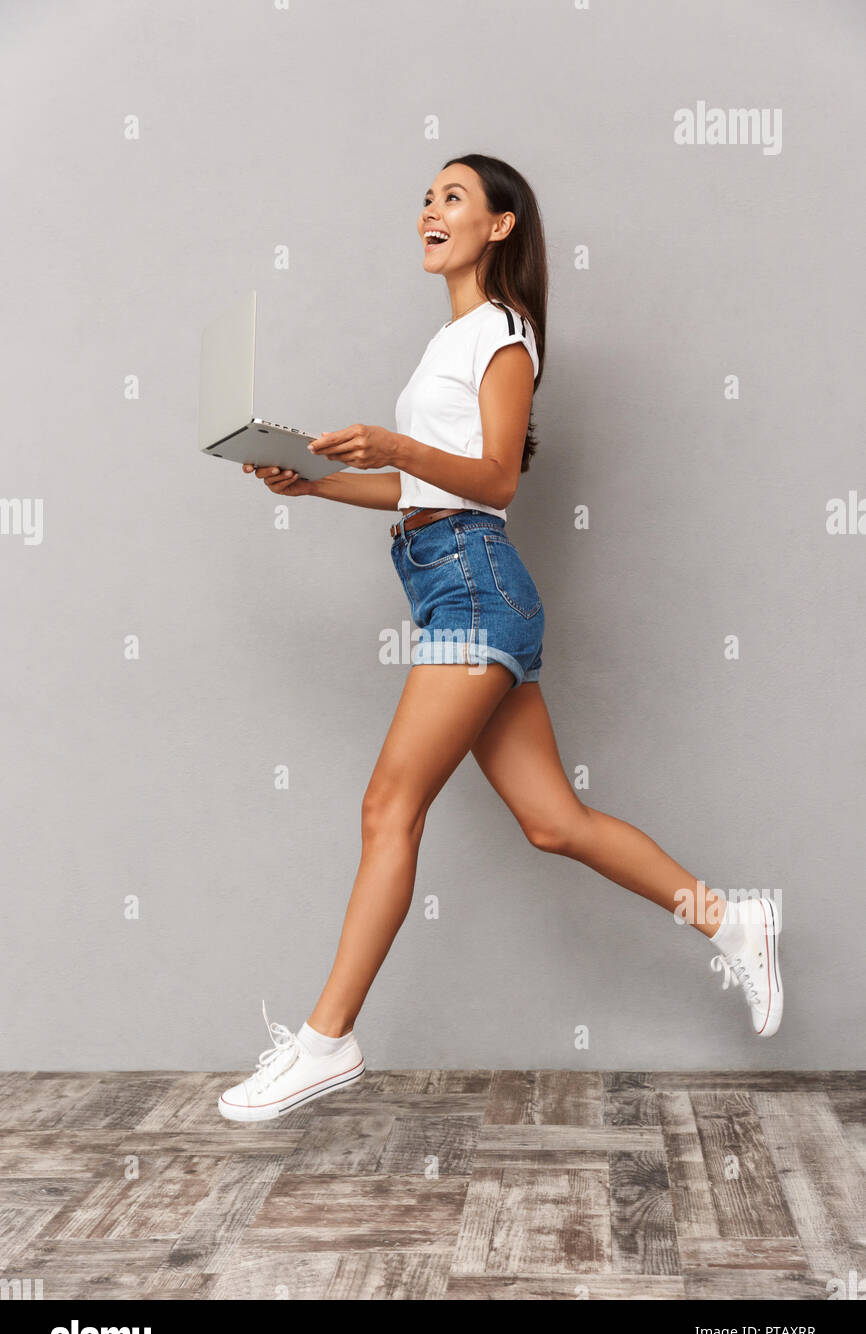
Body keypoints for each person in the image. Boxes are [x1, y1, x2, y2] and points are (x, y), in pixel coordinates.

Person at [218, 154, 782, 1124]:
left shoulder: (505, 337)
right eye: (425, 198)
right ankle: (730, 919)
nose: (428, 211)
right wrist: (311, 479)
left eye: (451, 198)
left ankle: (325, 1042)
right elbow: (414, 490)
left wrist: (394, 444)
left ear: (500, 226)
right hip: (449, 585)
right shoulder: (447, 342)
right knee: (551, 821)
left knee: (387, 807)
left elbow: (491, 480)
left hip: (474, 586)